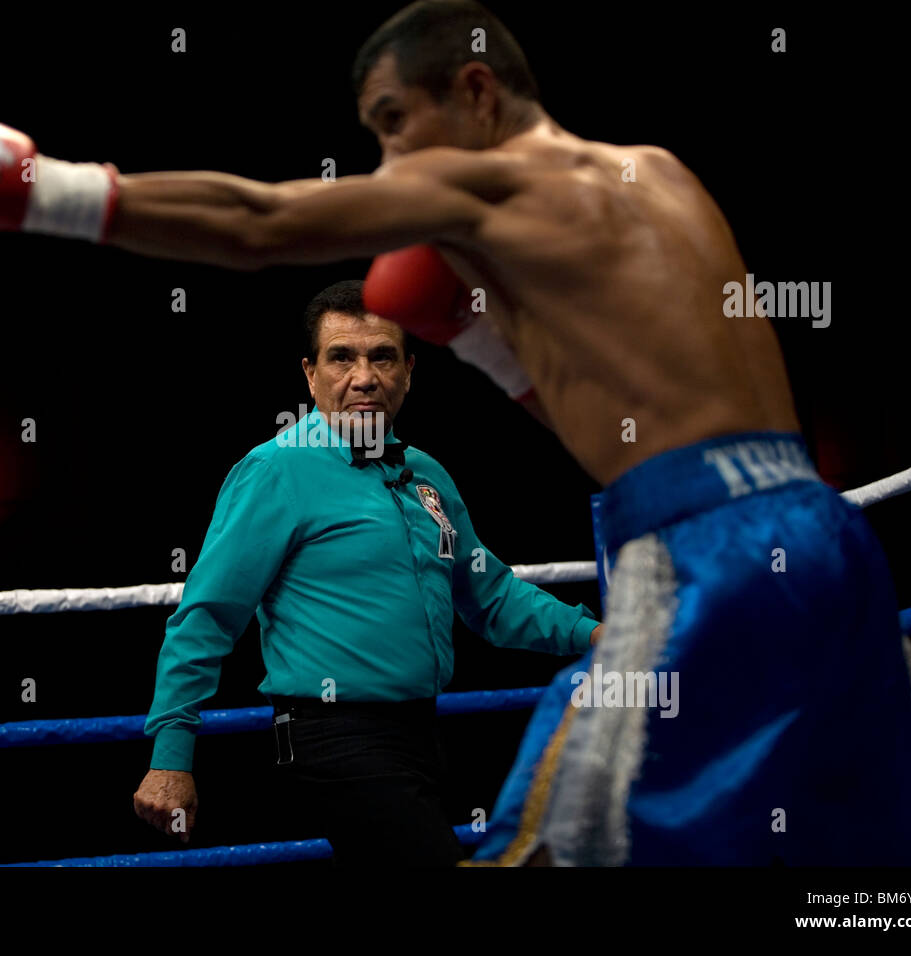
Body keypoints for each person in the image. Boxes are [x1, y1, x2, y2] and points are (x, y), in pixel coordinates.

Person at [0, 0, 911, 864]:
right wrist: (497, 347)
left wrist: (28, 186)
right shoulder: (658, 173)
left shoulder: (488, 186)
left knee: (556, 846)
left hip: (703, 550)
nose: (384, 168)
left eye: (389, 126)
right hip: (825, 541)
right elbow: (649, 381)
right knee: (873, 846)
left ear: (472, 88)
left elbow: (258, 222)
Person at [131, 280, 600, 865]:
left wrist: (596, 635)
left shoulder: (428, 475)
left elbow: (493, 595)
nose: (364, 377)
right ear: (310, 374)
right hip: (335, 737)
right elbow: (206, 617)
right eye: (341, 357)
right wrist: (170, 756)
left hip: (421, 734)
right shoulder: (277, 469)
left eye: (381, 356)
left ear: (408, 368)